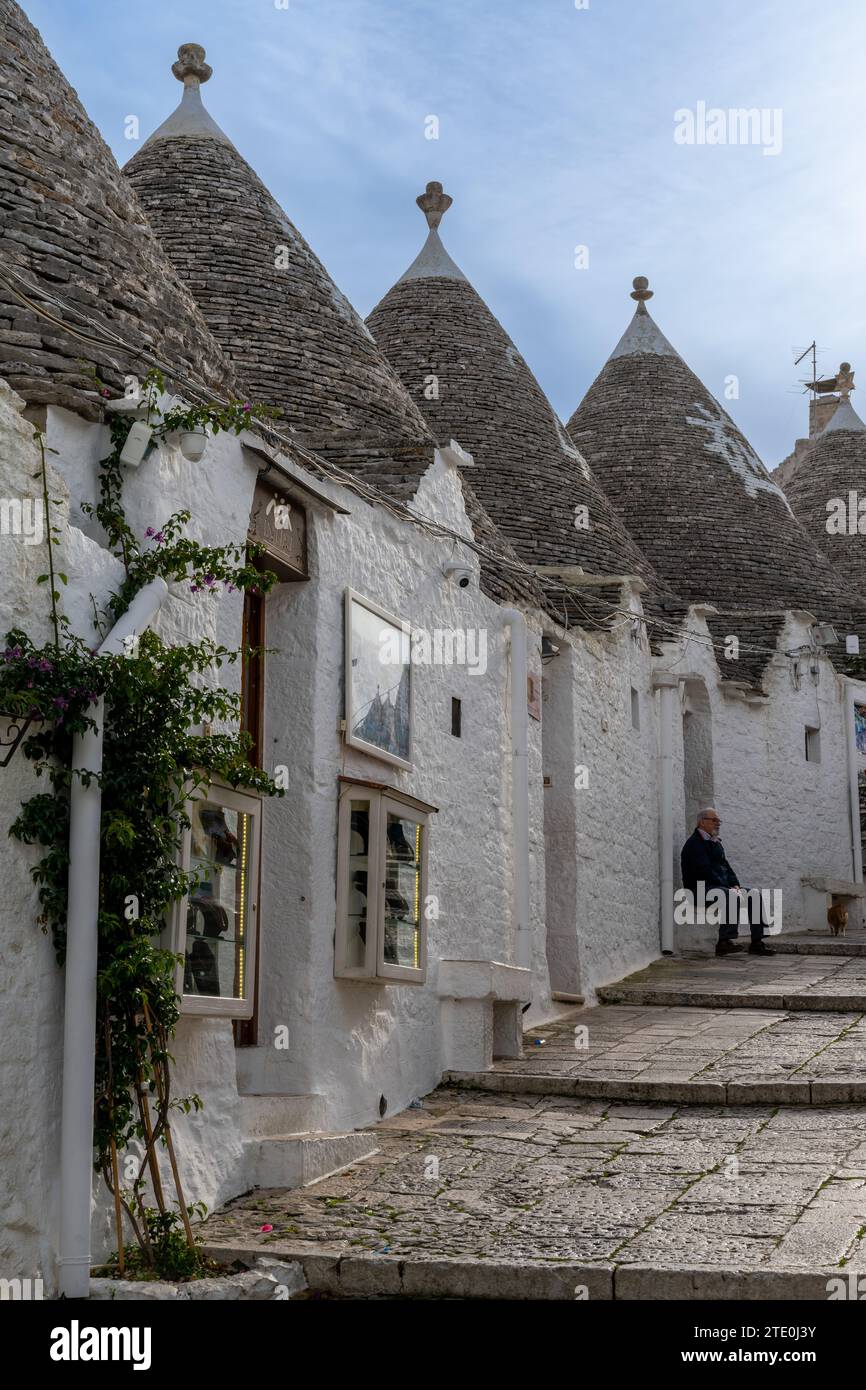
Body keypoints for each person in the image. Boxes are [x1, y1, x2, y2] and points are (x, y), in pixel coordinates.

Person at [680, 807, 772, 957]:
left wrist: (735, 884)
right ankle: (724, 942)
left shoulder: (715, 842)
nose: (718, 823)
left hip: (720, 887)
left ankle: (757, 942)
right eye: (714, 820)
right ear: (702, 822)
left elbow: (726, 867)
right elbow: (705, 871)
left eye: (719, 821)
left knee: (754, 894)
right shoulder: (694, 844)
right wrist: (729, 888)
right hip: (698, 890)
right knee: (729, 895)